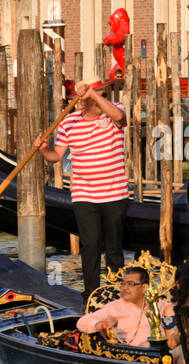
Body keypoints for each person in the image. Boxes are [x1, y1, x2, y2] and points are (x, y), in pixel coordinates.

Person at [37, 81, 127, 303]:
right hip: (84, 194)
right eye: (96, 95)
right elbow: (56, 156)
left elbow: (118, 116)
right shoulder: (69, 121)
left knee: (114, 247)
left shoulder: (114, 112)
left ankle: (117, 293)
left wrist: (95, 95)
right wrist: (43, 150)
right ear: (83, 101)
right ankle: (91, 294)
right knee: (91, 245)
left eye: (102, 94)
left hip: (115, 193)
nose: (100, 98)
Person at [76, 264, 176, 348]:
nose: (124, 288)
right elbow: (82, 323)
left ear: (144, 287)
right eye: (123, 284)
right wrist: (102, 325)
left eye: (130, 284)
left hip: (165, 352)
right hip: (136, 357)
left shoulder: (160, 305)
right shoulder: (114, 307)